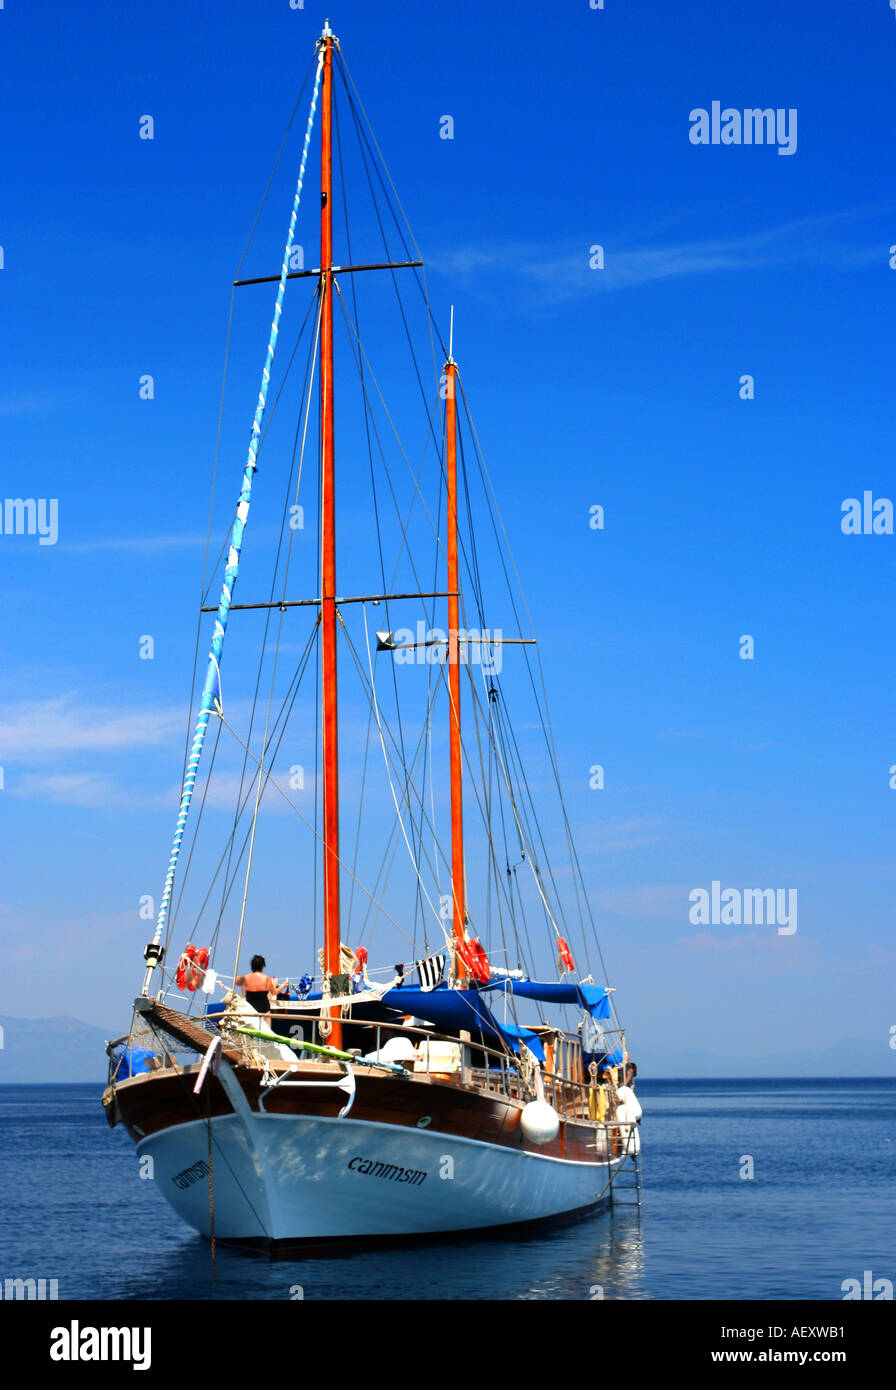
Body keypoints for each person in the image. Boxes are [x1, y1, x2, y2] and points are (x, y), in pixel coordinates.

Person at [235, 955, 284, 1027]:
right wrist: (283, 985)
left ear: (252, 966)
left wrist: (237, 978)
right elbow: (274, 992)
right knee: (267, 1030)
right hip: (264, 1009)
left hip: (251, 1008)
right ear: (263, 966)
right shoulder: (266, 978)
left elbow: (237, 983)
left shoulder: (246, 978)